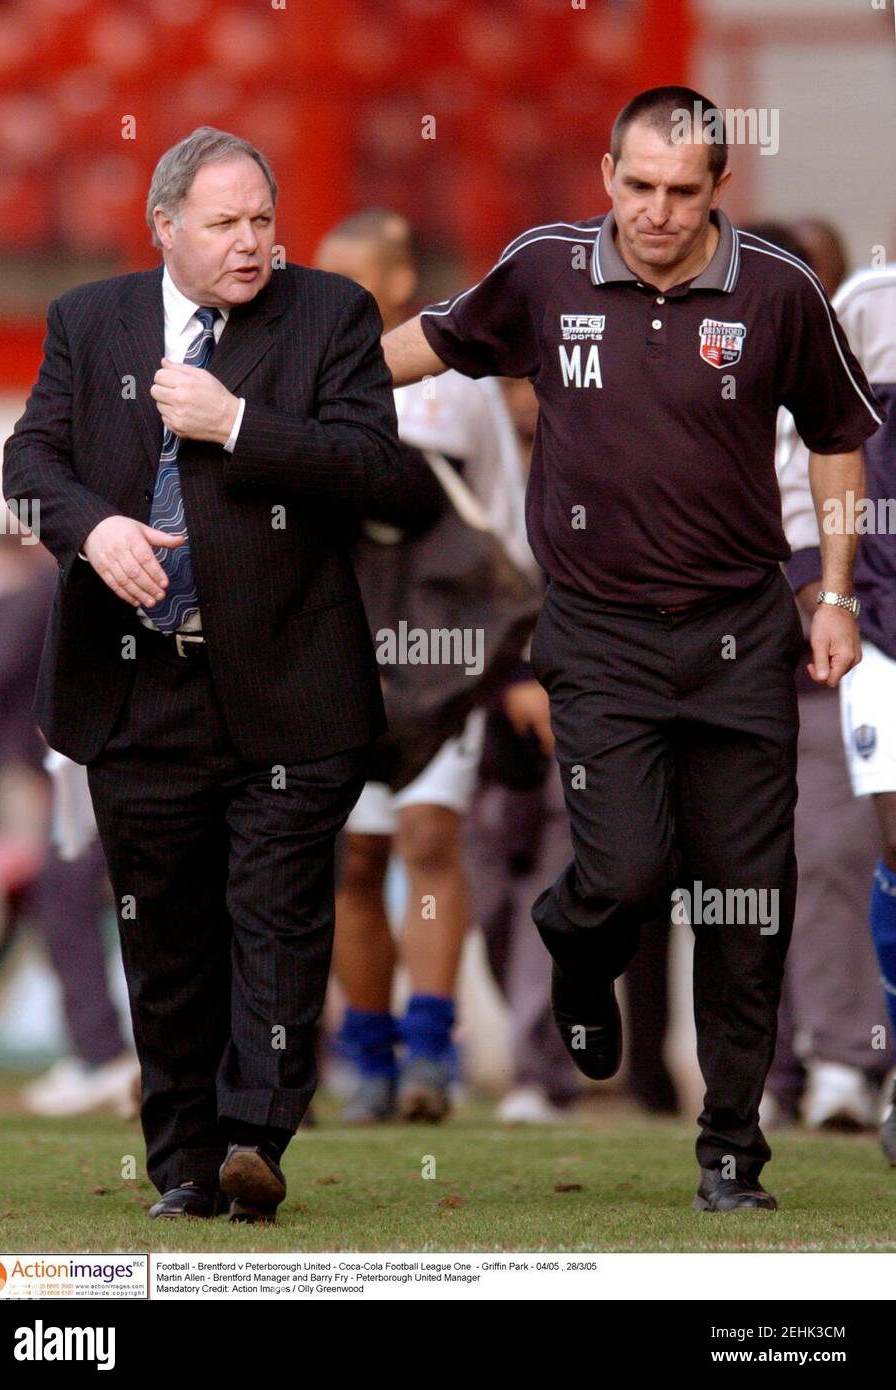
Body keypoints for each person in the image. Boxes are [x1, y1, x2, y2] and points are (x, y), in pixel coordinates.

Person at [380, 86, 883, 1211]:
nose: (655, 212)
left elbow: (839, 438)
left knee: (747, 900)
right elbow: (435, 341)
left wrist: (836, 591)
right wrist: (299, 388)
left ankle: (729, 1149)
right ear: (607, 174)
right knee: (621, 869)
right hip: (597, 636)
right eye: (637, 186)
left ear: (717, 190)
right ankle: (573, 936)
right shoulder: (544, 269)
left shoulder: (778, 290)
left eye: (680, 192)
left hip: (739, 636)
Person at [2, 126, 440, 1222]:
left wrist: (238, 423)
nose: (250, 244)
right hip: (133, 682)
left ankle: (254, 1137)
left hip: (291, 680)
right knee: (167, 938)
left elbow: (382, 476)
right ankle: (183, 1165)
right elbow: (28, 462)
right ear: (164, 229)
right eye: (223, 225)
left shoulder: (329, 313)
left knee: (281, 918)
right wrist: (91, 530)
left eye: (261, 221)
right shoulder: (86, 319)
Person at [315, 211, 533, 1122]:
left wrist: (514, 656)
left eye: (350, 275)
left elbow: (502, 525)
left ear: (400, 281)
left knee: (429, 839)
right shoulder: (307, 378)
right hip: (346, 655)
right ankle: (366, 1051)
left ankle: (430, 1052)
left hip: (443, 662)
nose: (329, 293)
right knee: (357, 859)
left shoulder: (454, 384)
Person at [779, 263, 896, 1162]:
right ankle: (860, 1060)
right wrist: (837, 594)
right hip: (881, 626)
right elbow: (832, 459)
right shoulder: (863, 305)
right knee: (857, 844)